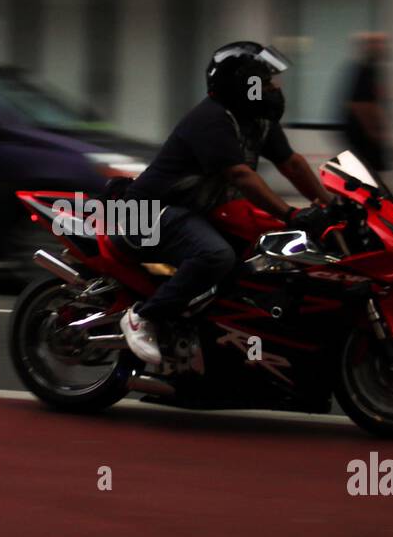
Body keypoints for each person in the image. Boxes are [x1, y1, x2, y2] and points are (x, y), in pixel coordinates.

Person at [119, 41, 339, 365]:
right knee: (216, 255)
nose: (274, 87)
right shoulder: (212, 119)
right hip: (149, 212)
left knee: (262, 252)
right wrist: (290, 213)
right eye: (264, 81)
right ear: (242, 85)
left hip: (191, 211)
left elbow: (291, 164)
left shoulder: (257, 120)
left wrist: (330, 205)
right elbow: (240, 176)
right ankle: (145, 316)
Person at [340, 32, 392, 176]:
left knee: (366, 171)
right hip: (362, 132)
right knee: (366, 172)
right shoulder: (365, 69)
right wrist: (375, 132)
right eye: (378, 44)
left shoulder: (371, 69)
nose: (383, 47)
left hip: (364, 131)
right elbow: (360, 105)